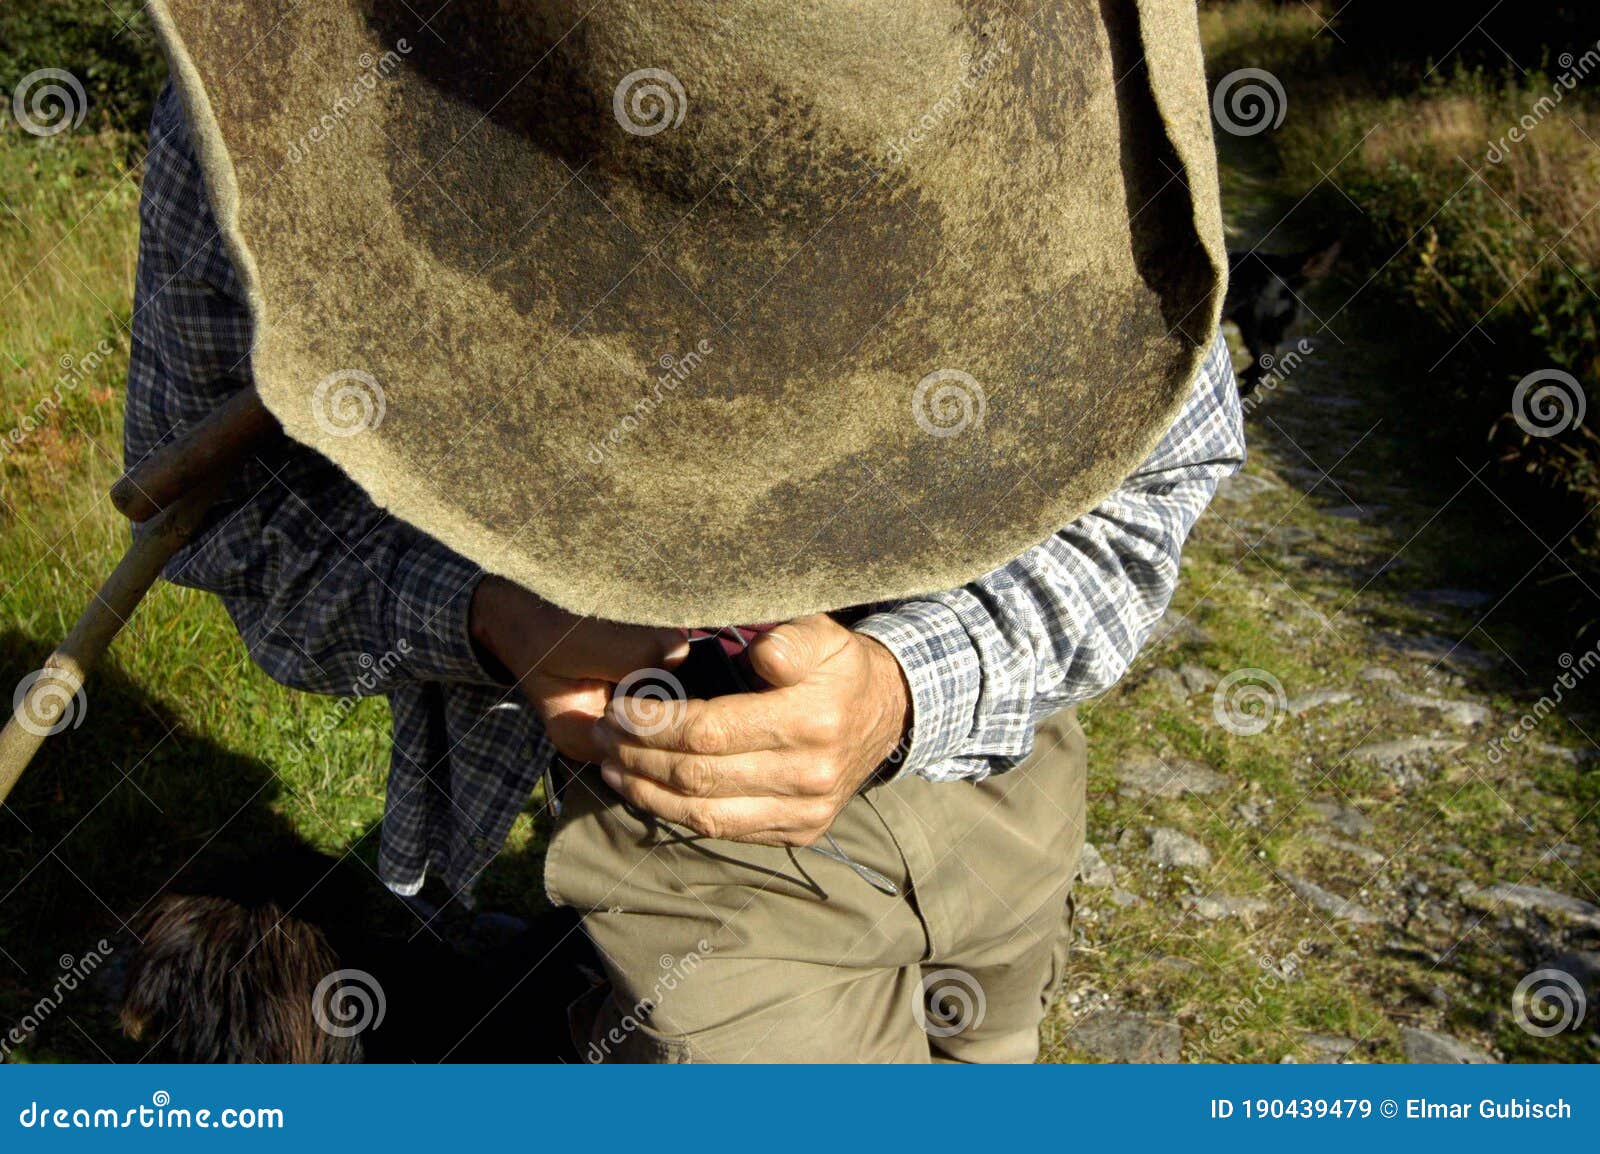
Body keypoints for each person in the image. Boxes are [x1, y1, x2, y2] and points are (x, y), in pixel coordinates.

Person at [130, 2, 1243, 1061]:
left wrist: (909, 688)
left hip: (1000, 770)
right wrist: (492, 615)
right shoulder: (276, 105)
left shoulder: (1082, 73)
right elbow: (239, 523)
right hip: (669, 819)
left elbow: (1157, 480)